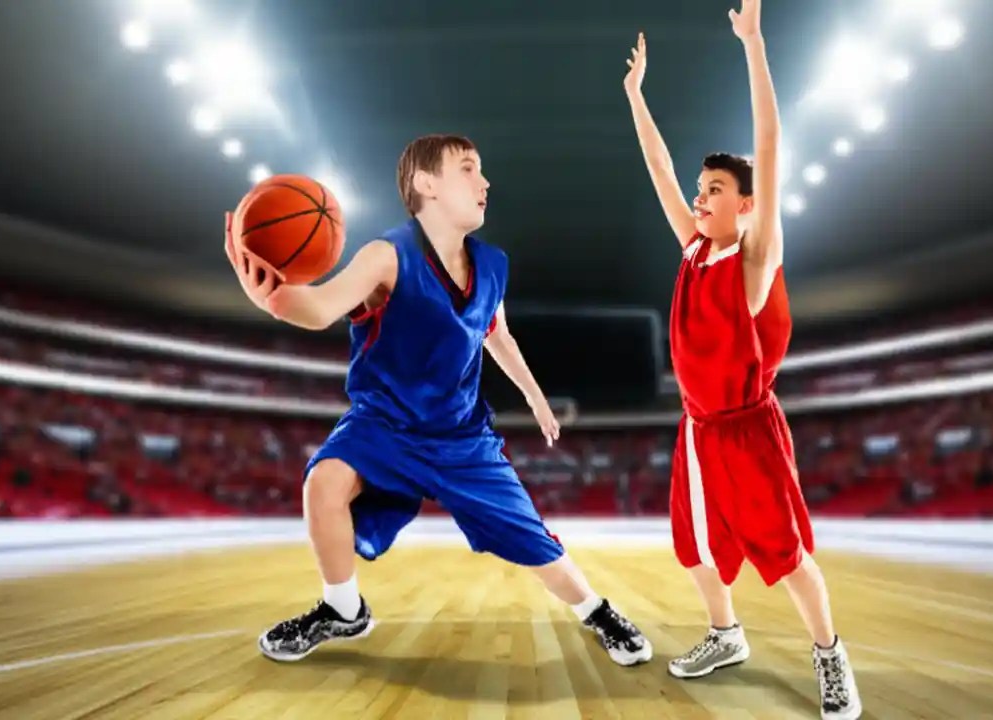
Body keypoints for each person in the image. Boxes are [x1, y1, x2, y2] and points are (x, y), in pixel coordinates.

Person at [223, 134, 652, 667]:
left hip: (460, 437)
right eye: (469, 169)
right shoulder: (385, 255)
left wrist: (537, 398)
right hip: (385, 424)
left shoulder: (491, 266)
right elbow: (319, 308)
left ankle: (597, 611)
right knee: (323, 482)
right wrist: (266, 294)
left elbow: (496, 333)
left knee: (534, 541)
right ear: (427, 184)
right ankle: (342, 608)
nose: (485, 181)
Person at [622, 2, 862, 718]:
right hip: (697, 429)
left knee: (786, 557)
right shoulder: (695, 249)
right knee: (693, 547)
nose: (700, 197)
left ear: (748, 206)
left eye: (716, 191)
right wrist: (636, 97)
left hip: (748, 430)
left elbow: (770, 138)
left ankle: (830, 657)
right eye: (703, 189)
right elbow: (661, 171)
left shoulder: (754, 261)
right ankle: (725, 634)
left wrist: (753, 44)